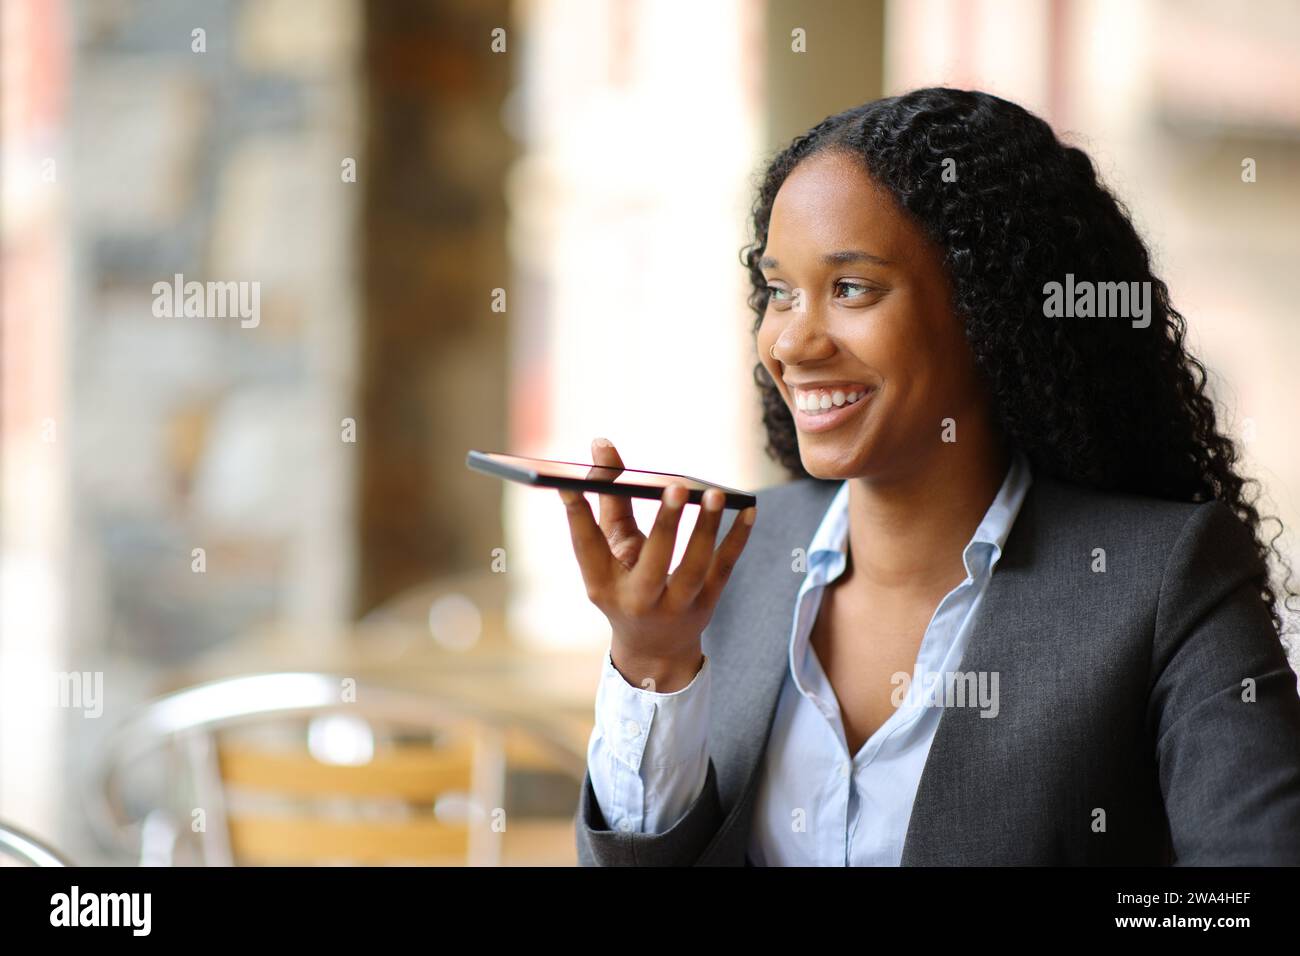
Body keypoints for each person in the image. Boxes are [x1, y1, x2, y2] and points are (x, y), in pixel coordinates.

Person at [558, 88, 1300, 865]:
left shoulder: (1163, 579)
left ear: (988, 310)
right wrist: (651, 664)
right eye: (780, 292)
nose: (793, 342)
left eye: (851, 288)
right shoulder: (728, 556)